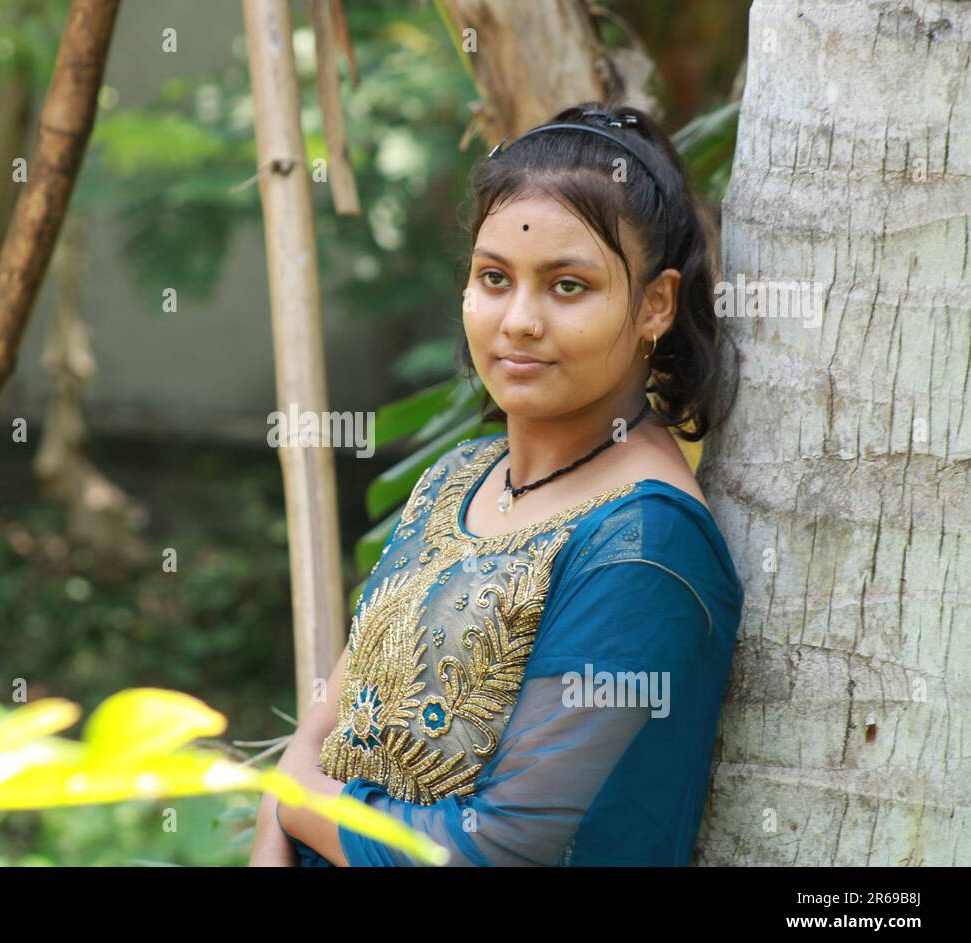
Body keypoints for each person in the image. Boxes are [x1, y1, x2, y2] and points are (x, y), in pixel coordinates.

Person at [248, 101, 744, 866]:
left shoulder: (644, 545)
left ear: (654, 304)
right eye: (493, 278)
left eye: (568, 286)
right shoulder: (457, 478)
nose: (517, 320)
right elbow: (320, 734)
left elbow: (497, 851)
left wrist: (300, 799)